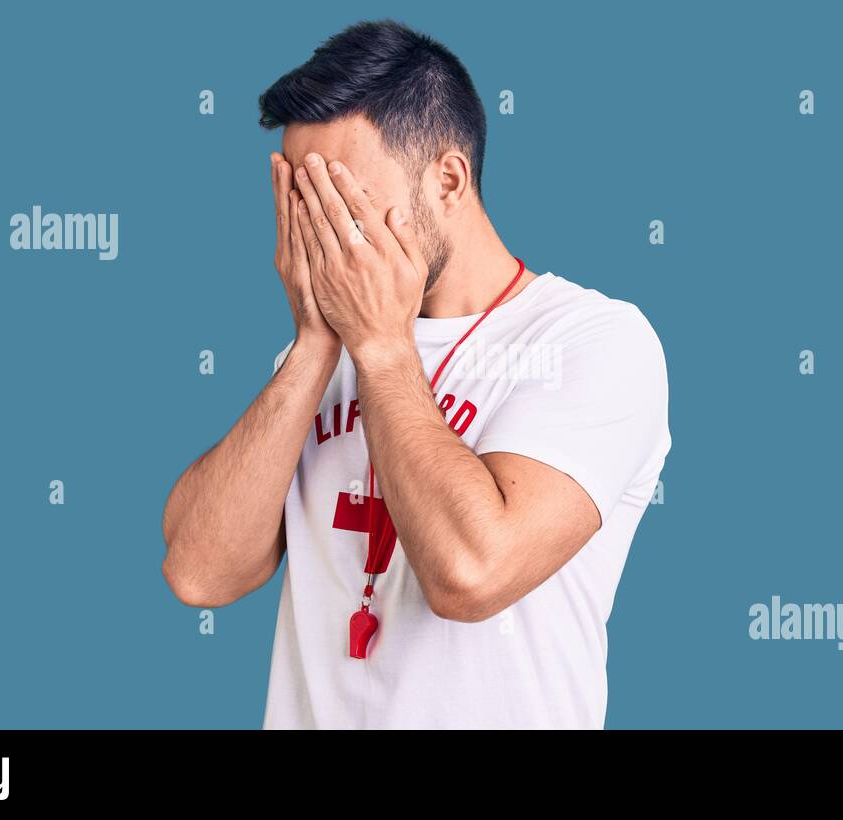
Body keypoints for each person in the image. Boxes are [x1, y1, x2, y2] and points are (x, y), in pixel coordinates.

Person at [161, 19, 671, 729]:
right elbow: (198, 572)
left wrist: (380, 346)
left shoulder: (597, 342)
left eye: (349, 203)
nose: (328, 236)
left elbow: (471, 573)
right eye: (305, 205)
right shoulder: (317, 356)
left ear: (449, 181)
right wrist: (314, 343)